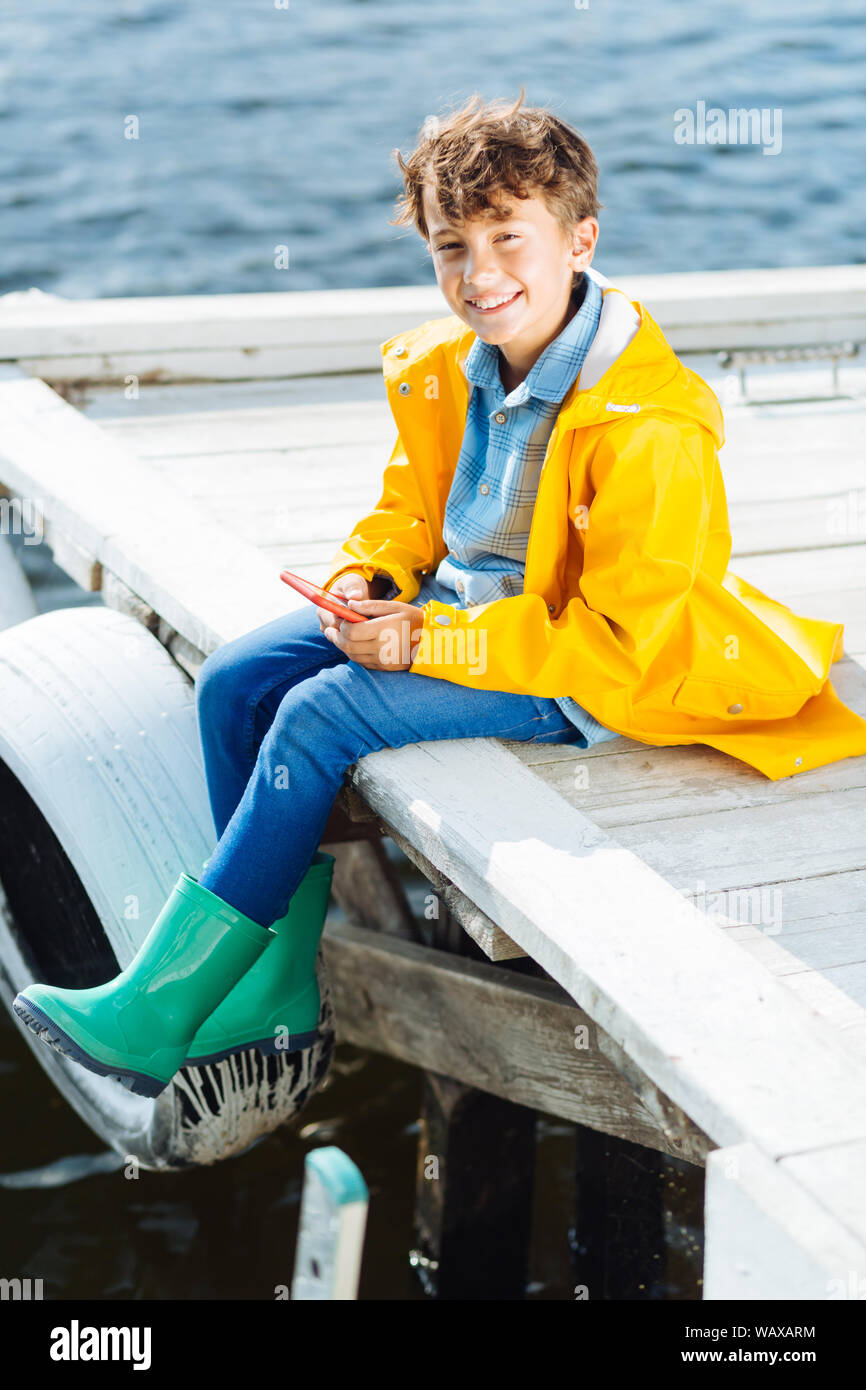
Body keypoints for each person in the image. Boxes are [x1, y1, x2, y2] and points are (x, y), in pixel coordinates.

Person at [15, 88, 866, 1099]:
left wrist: (431, 643)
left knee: (319, 713)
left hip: (579, 667)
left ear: (578, 237)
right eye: (449, 247)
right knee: (237, 681)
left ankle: (162, 1002)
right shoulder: (442, 369)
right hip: (452, 614)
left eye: (508, 237)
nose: (479, 274)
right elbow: (408, 517)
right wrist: (366, 583)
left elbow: (620, 636)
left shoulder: (652, 428)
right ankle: (275, 983)